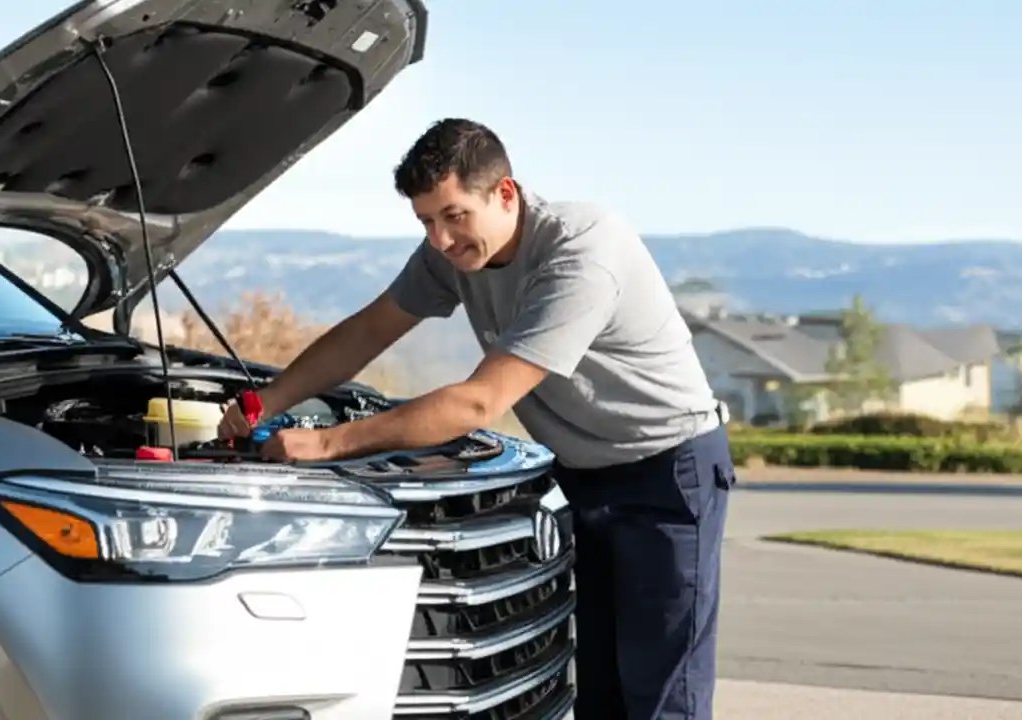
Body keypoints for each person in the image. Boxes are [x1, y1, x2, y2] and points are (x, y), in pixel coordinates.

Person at [217, 118, 734, 719]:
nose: (439, 239)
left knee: (663, 697)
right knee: (600, 692)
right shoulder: (452, 255)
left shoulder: (583, 253)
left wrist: (327, 444)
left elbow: (478, 403)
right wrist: (265, 403)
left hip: (668, 475)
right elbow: (368, 331)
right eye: (425, 222)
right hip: (585, 478)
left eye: (454, 215)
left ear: (505, 194)